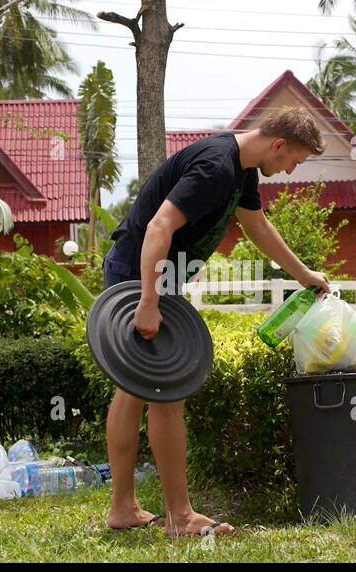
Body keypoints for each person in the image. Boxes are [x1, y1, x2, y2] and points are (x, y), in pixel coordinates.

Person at [102, 106, 332, 537]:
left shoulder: (241, 167)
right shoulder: (216, 167)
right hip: (140, 277)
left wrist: (304, 274)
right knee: (165, 391)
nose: (286, 172)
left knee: (134, 391)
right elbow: (159, 227)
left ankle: (124, 509)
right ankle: (179, 517)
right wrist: (149, 300)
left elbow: (256, 225)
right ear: (278, 144)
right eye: (292, 162)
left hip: (148, 276)